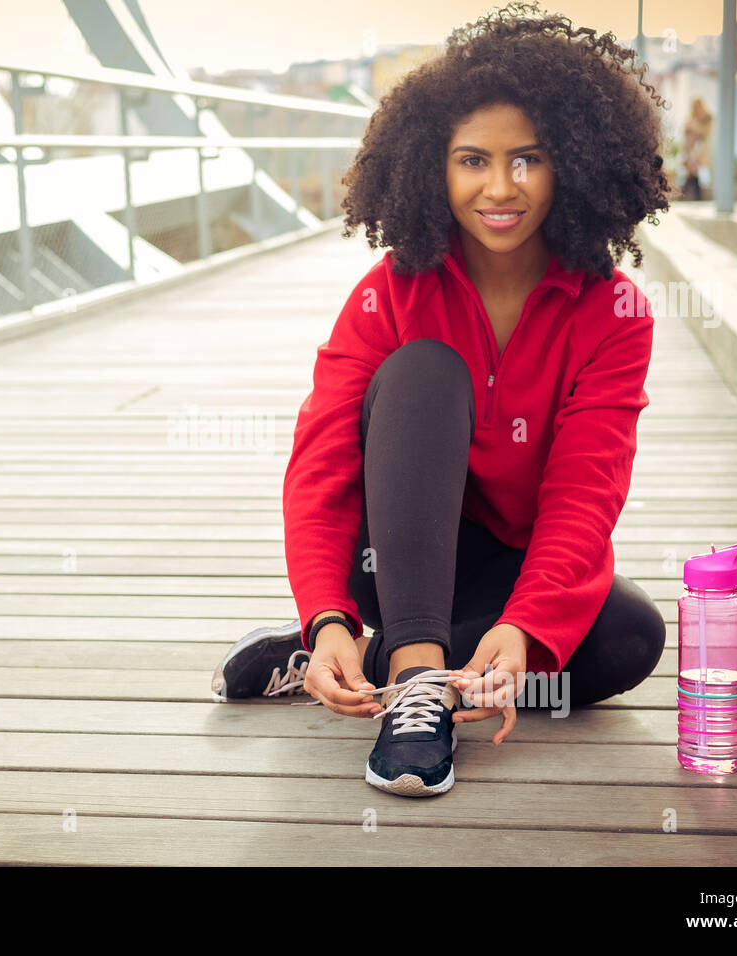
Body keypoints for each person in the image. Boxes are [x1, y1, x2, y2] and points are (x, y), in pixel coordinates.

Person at [211, 1, 672, 798]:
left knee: (628, 637)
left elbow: (585, 493)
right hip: (387, 557)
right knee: (425, 369)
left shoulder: (614, 312)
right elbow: (320, 463)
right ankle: (415, 682)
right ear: (434, 166)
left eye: (527, 159)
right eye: (472, 161)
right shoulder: (390, 292)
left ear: (573, 163)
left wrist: (525, 628)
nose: (501, 187)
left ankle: (360, 658)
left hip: (498, 570)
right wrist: (328, 610)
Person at [681, 97, 712, 201]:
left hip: (699, 149)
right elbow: (686, 134)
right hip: (691, 149)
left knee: (693, 171)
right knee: (692, 172)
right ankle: (692, 195)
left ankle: (685, 194)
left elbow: (704, 135)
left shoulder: (706, 119)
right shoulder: (691, 119)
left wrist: (694, 129)